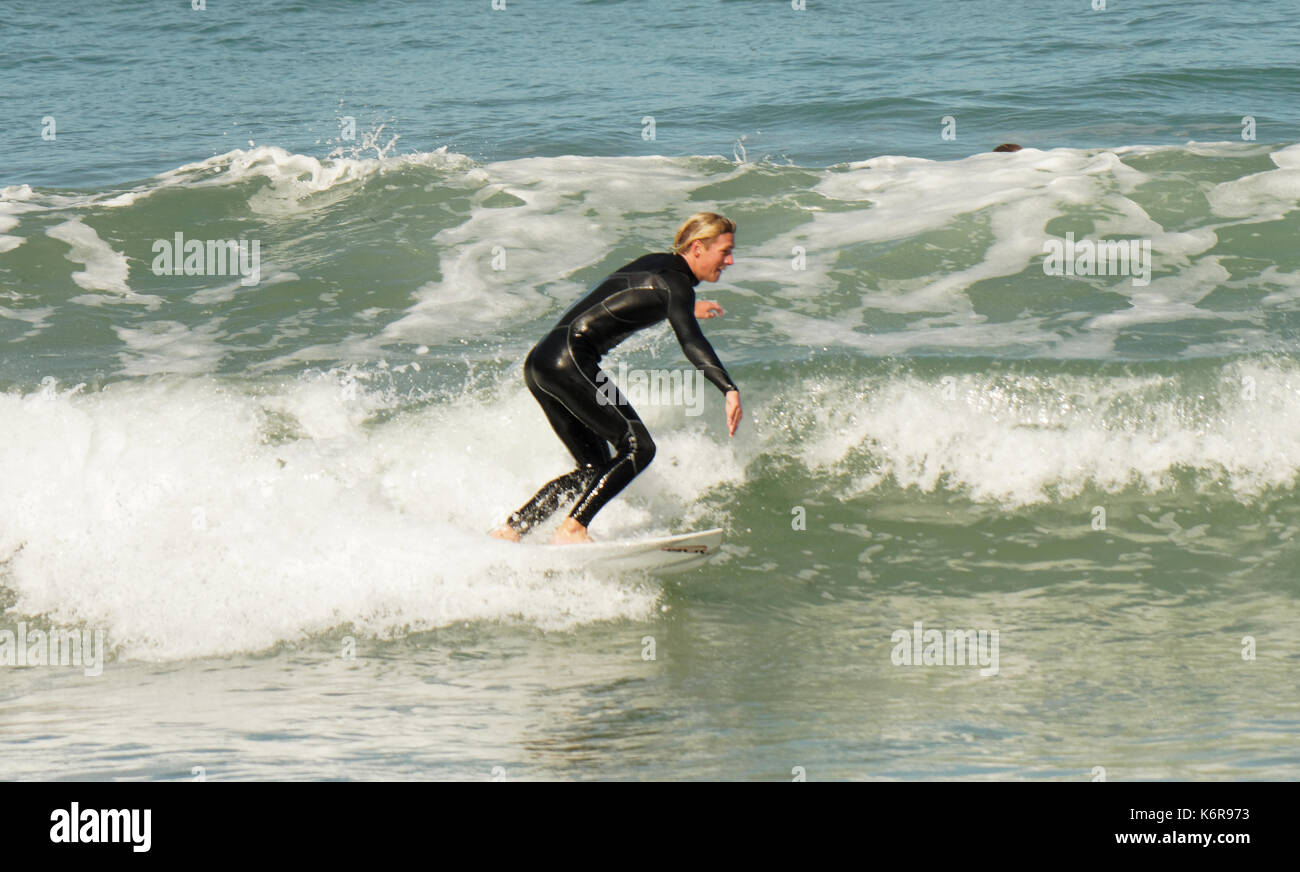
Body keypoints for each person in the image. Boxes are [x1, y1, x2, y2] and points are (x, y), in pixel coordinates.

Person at [490, 212, 743, 544]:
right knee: (639, 448)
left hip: (542, 362)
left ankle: (511, 531)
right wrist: (728, 388)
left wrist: (682, 305)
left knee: (594, 469)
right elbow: (692, 341)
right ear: (698, 248)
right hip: (571, 362)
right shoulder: (676, 285)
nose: (730, 260)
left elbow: (626, 294)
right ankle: (573, 529)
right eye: (724, 251)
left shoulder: (659, 266)